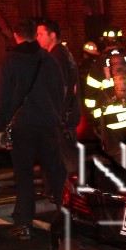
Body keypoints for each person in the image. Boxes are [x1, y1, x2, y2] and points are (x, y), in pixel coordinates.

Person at [0, 17, 67, 240]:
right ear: (35, 34)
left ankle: (24, 223)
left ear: (15, 35)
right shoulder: (49, 60)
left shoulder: (8, 63)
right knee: (56, 173)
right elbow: (60, 92)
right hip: (48, 124)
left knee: (23, 176)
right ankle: (68, 219)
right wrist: (55, 117)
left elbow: (1, 96)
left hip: (21, 127)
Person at [36, 17, 80, 162]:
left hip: (62, 117)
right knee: (68, 154)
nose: (37, 38)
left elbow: (62, 87)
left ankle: (71, 176)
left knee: (65, 157)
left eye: (41, 34)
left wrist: (54, 113)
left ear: (52, 35)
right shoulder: (62, 52)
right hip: (67, 114)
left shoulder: (57, 56)